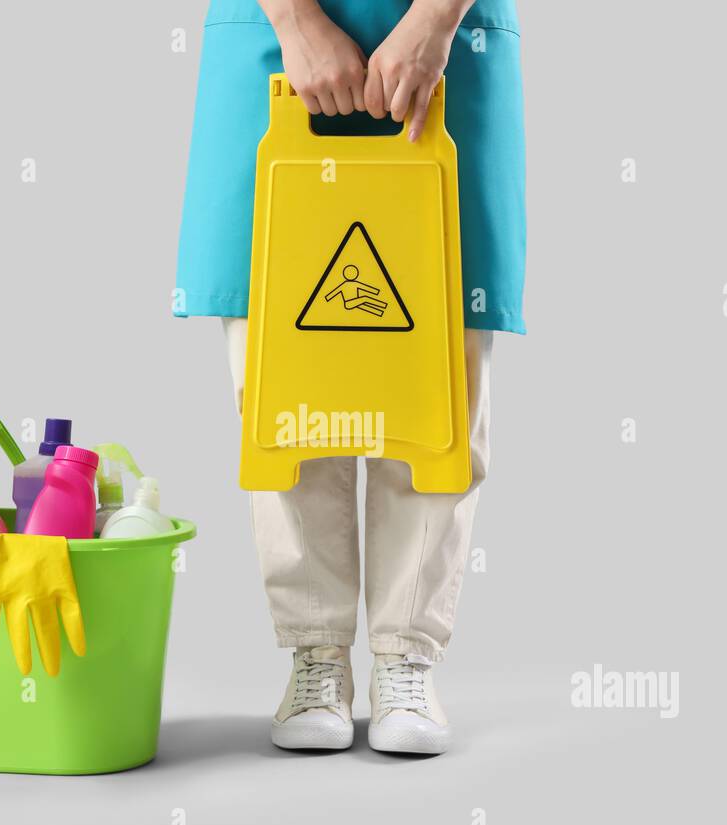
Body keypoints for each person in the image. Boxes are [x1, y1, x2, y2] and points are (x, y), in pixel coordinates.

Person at [175, 0, 525, 754]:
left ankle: (406, 655)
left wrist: (432, 23)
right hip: (271, 35)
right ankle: (317, 652)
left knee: (434, 378)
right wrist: (297, 23)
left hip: (451, 44)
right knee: (285, 372)